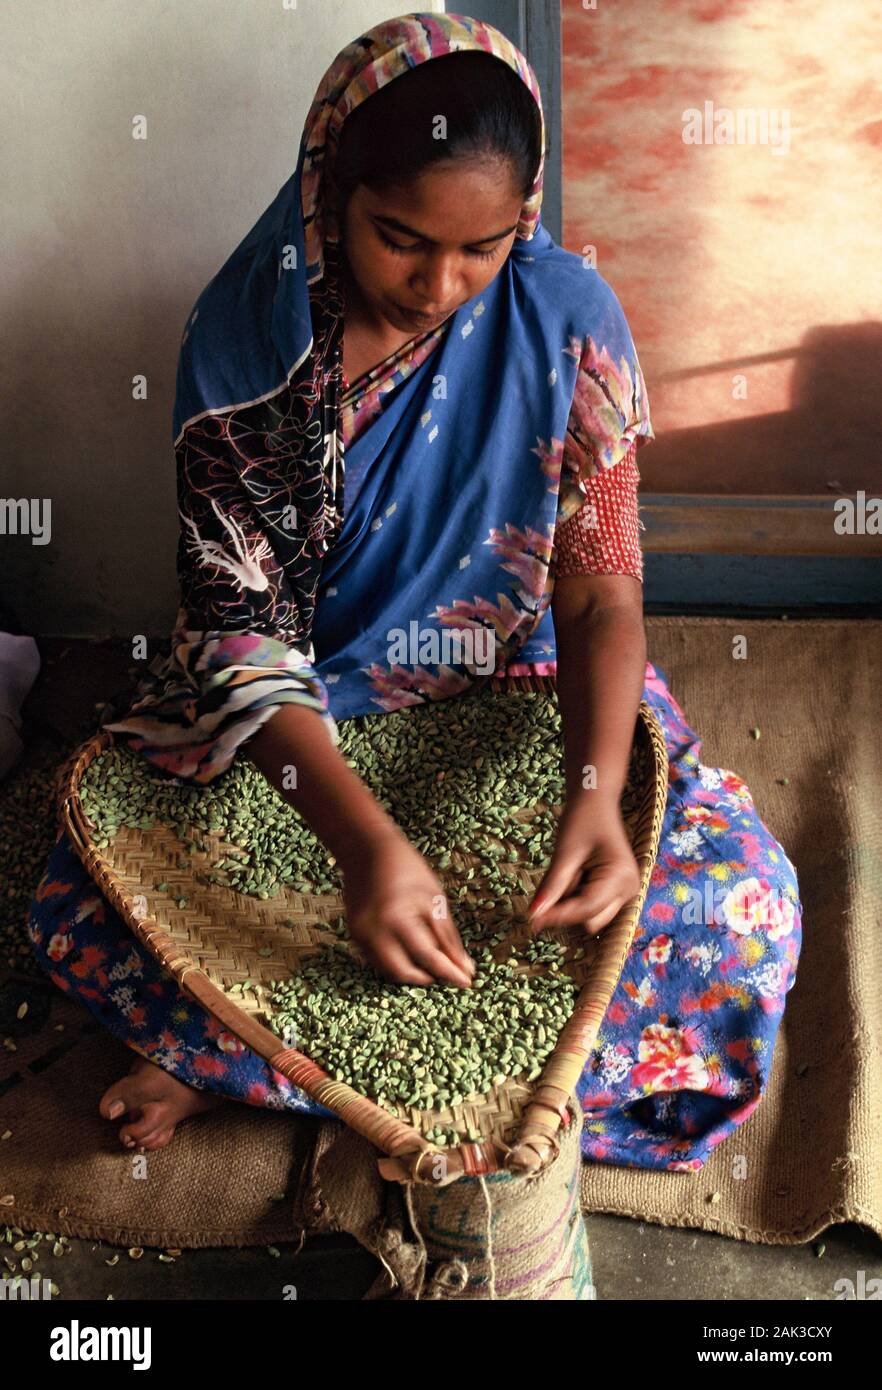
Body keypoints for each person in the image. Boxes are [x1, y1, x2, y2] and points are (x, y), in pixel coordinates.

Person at [28, 12, 802, 1170]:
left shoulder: (568, 322)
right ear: (331, 194)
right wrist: (362, 848)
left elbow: (598, 595)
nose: (440, 285)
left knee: (736, 911)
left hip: (519, 688)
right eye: (401, 239)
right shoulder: (249, 348)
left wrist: (594, 796)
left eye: (483, 248)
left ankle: (250, 1060)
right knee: (93, 897)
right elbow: (242, 640)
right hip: (302, 721)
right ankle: (284, 1053)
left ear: (525, 221)